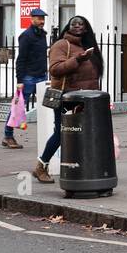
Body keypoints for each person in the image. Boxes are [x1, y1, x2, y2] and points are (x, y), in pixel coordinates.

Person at [32, 15, 104, 184]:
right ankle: (41, 166)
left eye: (81, 24)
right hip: (66, 97)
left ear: (86, 28)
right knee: (62, 133)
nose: (78, 26)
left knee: (85, 133)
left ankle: (82, 167)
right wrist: (77, 60)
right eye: (74, 24)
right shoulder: (61, 45)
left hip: (87, 99)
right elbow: (55, 69)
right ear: (68, 27)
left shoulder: (89, 46)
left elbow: (93, 75)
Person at [11, 9, 50, 149]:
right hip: (28, 77)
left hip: (42, 75)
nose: (42, 21)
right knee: (18, 106)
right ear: (31, 19)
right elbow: (20, 59)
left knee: (47, 106)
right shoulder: (26, 36)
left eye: (43, 18)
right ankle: (8, 135)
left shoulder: (43, 35)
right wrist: (19, 80)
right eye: (39, 18)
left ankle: (48, 133)